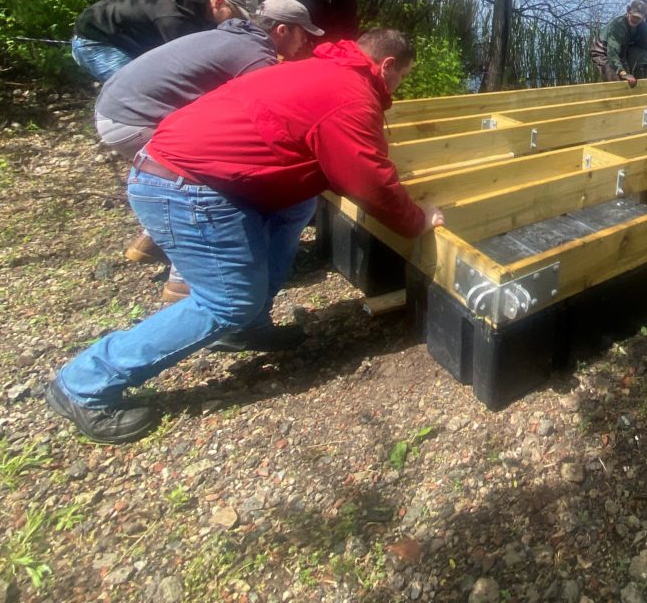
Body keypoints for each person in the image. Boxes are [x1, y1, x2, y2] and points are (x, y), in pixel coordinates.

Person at [46, 28, 444, 444]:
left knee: (297, 205)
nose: (399, 87)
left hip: (206, 174)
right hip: (186, 186)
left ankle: (248, 329)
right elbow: (369, 184)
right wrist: (417, 219)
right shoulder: (350, 97)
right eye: (403, 77)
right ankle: (85, 383)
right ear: (387, 65)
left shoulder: (319, 69)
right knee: (227, 300)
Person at [94, 0, 325, 301]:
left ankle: (151, 242)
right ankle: (184, 283)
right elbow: (262, 124)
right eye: (301, 34)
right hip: (134, 118)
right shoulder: (256, 57)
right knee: (200, 179)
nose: (304, 42)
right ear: (282, 30)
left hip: (115, 107)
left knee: (183, 173)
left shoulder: (235, 36)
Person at [70, 0, 260, 82]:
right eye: (236, 15)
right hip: (96, 41)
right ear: (219, 3)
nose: (238, 22)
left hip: (130, 34)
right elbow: (191, 69)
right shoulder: (173, 19)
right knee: (140, 91)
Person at [589, 0, 647, 88]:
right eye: (634, 16)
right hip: (603, 51)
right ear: (628, 10)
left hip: (622, 49)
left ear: (643, 17)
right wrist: (623, 73)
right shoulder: (618, 25)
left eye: (639, 18)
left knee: (646, 65)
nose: (636, 20)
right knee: (618, 81)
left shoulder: (643, 26)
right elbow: (612, 53)